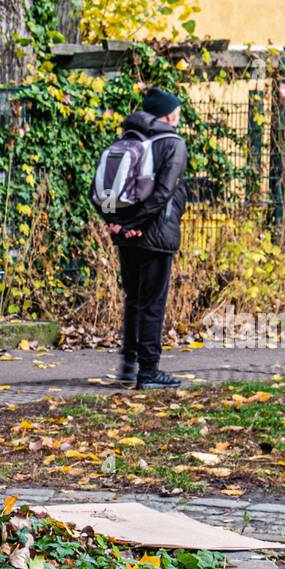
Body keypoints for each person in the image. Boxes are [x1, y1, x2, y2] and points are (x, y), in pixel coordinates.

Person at [106, 87, 188, 390]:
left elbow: (104, 188)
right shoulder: (172, 144)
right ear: (168, 114)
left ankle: (128, 365)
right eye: (177, 110)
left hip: (126, 235)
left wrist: (118, 223)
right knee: (153, 302)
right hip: (156, 233)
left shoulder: (126, 140)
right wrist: (137, 223)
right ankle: (149, 371)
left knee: (134, 300)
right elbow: (165, 192)